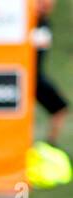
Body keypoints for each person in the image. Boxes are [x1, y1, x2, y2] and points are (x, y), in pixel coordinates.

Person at [35, 0, 69, 145]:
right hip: (21, 76)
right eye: (41, 2)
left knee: (61, 109)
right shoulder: (26, 21)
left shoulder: (45, 22)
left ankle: (50, 147)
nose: (46, 5)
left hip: (37, 77)